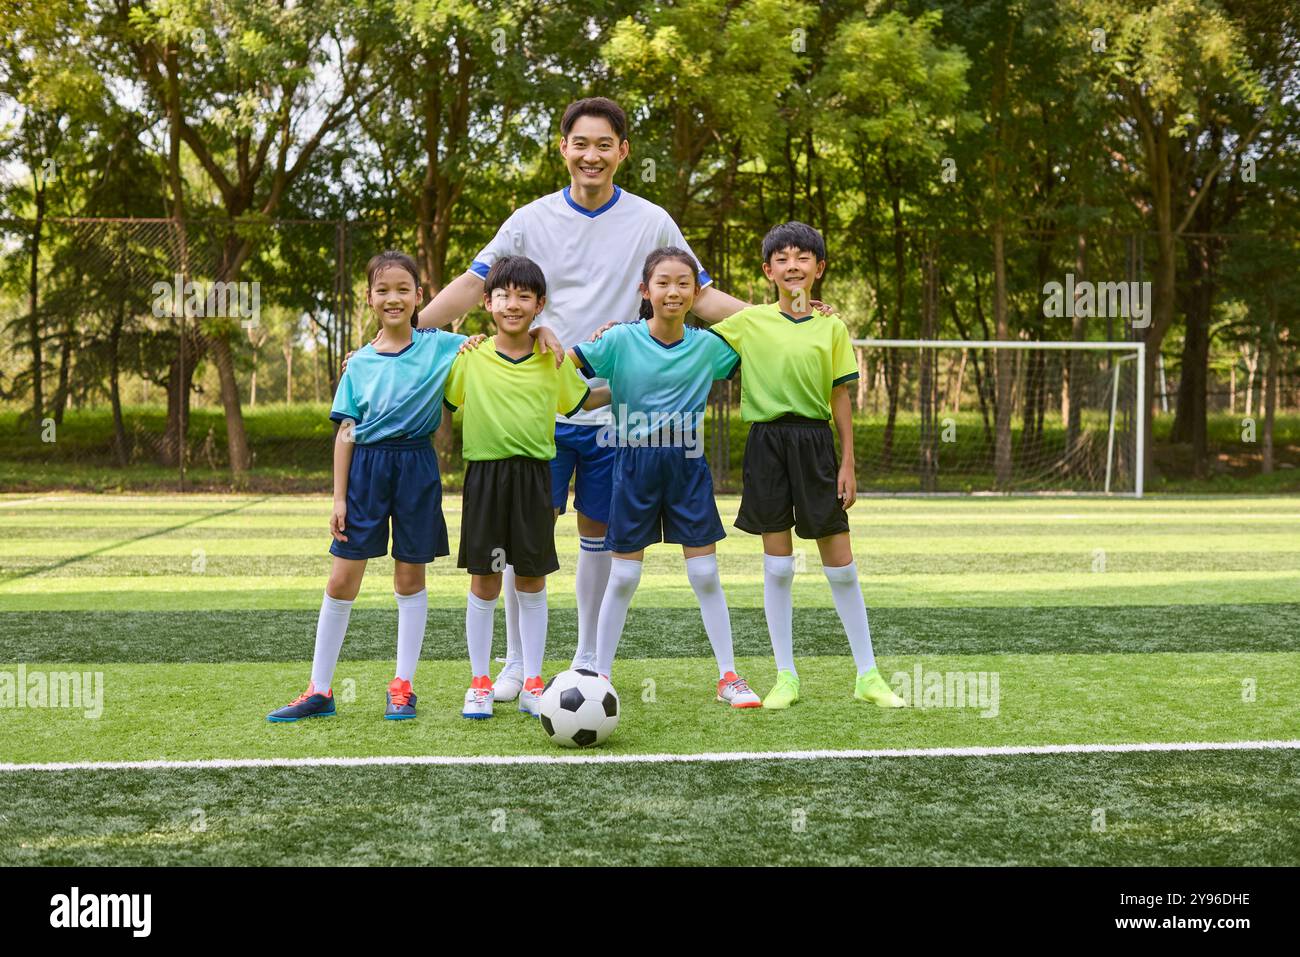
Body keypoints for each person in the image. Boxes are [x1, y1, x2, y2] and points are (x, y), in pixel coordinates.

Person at [408, 97, 749, 699]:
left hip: (614, 415)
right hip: (539, 409)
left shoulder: (653, 221)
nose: (591, 155)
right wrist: (405, 334)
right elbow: (473, 284)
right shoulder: (529, 220)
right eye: (580, 144)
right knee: (521, 537)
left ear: (622, 152)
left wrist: (783, 324)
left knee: (600, 532)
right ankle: (516, 663)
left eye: (604, 144)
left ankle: (588, 656)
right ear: (562, 148)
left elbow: (700, 297)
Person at [706, 223, 906, 710]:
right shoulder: (748, 323)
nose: (792, 266)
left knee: (840, 565)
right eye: (782, 259)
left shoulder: (831, 327)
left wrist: (849, 462)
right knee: (778, 567)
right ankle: (785, 676)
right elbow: (685, 313)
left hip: (817, 446)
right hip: (766, 445)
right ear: (767, 270)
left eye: (802, 258)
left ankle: (868, 674)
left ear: (819, 268)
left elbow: (840, 394)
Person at [268, 251, 465, 722]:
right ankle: (319, 689)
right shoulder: (358, 364)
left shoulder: (443, 346)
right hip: (366, 472)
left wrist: (540, 330)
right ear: (369, 298)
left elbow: (497, 339)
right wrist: (338, 497)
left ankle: (402, 686)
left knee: (409, 577)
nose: (393, 298)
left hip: (417, 466)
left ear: (420, 296)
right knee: (341, 578)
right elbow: (346, 432)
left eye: (403, 289)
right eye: (383, 290)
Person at [573, 247, 760, 707]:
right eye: (663, 282)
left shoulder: (709, 346)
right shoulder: (618, 341)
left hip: (687, 465)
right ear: (645, 290)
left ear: (697, 293)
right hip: (633, 465)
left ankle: (729, 677)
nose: (673, 290)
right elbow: (566, 365)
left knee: (705, 573)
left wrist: (802, 308)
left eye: (683, 283)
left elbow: (767, 337)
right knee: (622, 578)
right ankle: (600, 674)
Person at [445, 256, 610, 718]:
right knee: (485, 581)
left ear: (540, 304)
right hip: (485, 478)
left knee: (532, 580)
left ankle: (533, 681)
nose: (512, 304)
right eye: (503, 295)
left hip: (536, 477)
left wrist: (631, 385)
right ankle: (480, 681)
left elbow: (581, 399)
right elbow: (436, 379)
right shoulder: (470, 356)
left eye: (524, 296)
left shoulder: (550, 359)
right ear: (486, 301)